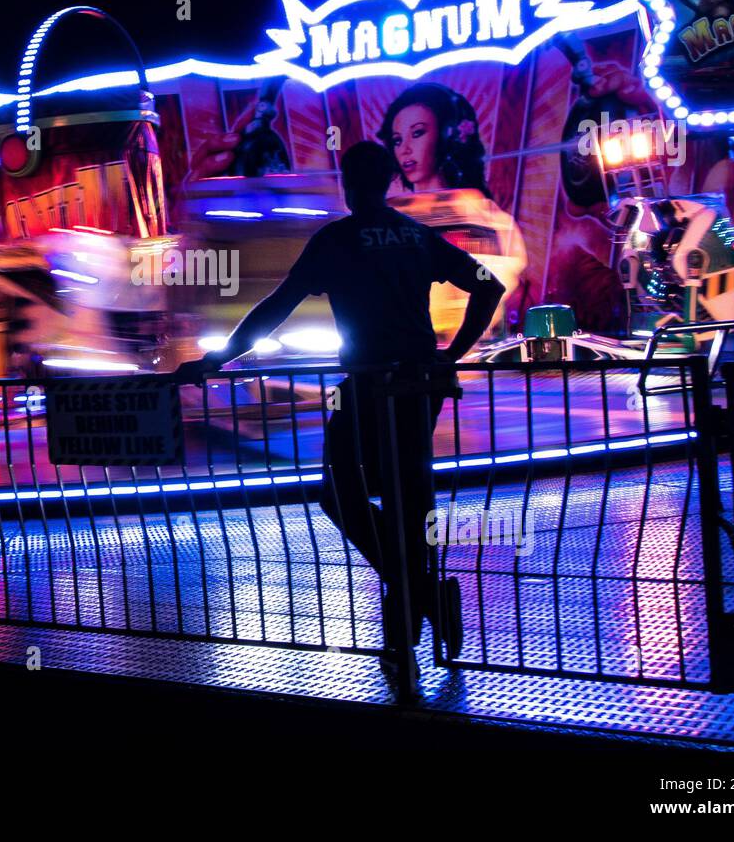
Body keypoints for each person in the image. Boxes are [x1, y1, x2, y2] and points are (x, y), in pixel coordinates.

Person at [175, 141, 505, 687]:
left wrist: (215, 360)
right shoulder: (414, 236)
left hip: (371, 384)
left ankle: (413, 600)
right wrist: (453, 354)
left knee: (339, 490)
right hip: (421, 384)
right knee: (410, 498)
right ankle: (419, 600)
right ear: (388, 181)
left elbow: (275, 309)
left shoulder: (338, 240)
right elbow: (487, 286)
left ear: (349, 184)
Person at [375, 83, 490, 196]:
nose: (404, 149)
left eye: (417, 133)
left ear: (446, 135)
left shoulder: (473, 206)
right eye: (397, 140)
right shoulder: (395, 209)